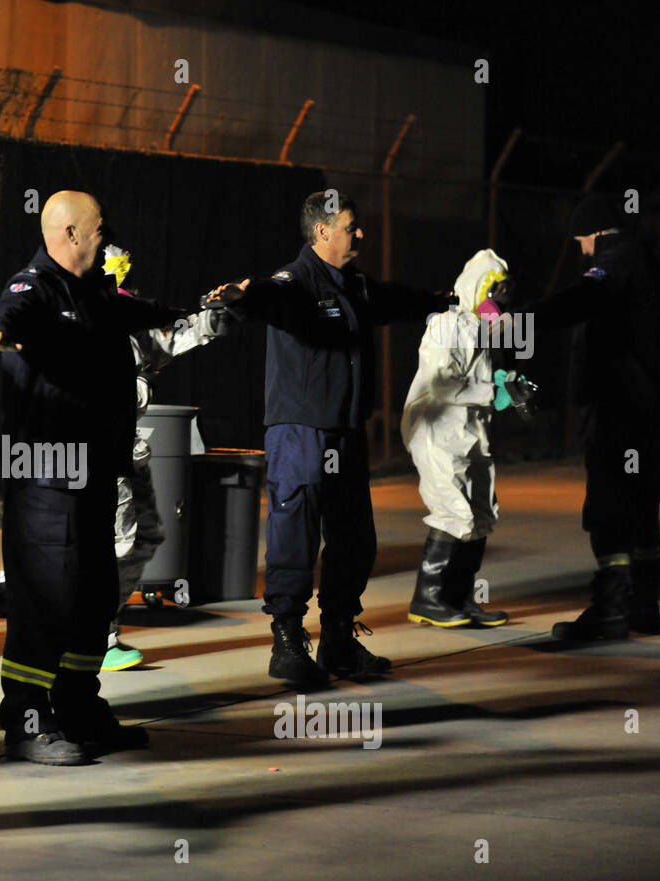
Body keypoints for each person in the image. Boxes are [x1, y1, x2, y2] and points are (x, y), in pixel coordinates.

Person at [0, 190, 178, 765]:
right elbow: (6, 310)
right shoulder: (35, 288)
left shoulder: (94, 293)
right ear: (69, 235)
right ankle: (26, 722)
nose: (106, 236)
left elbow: (140, 312)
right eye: (98, 229)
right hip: (45, 476)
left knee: (91, 592)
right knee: (46, 595)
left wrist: (192, 311)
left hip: (91, 472)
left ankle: (80, 707)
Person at [212, 191, 453, 689]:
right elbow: (269, 296)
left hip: (345, 434)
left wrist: (437, 302)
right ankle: (286, 640)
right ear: (322, 232)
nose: (360, 233)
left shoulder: (356, 286)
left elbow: (393, 298)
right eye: (351, 225)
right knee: (295, 536)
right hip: (301, 432)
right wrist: (242, 297)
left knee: (354, 539)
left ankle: (339, 638)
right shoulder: (295, 281)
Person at [521, 193, 660, 640]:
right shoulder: (644, 261)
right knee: (642, 506)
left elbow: (587, 295)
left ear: (591, 235)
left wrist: (526, 317)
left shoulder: (616, 259)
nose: (582, 253)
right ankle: (643, 609)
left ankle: (610, 610)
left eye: (581, 242)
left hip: (617, 409)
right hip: (644, 408)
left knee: (608, 506)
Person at [99, 244, 235, 670]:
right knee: (115, 544)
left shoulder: (130, 320)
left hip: (127, 447)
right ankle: (93, 639)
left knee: (146, 537)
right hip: (96, 448)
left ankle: (95, 628)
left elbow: (174, 335)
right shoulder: (78, 320)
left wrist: (214, 312)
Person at [402, 249, 514, 628]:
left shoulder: (479, 330)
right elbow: (441, 385)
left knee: (480, 511)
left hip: (468, 431)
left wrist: (505, 388)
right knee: (453, 510)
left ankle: (458, 598)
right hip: (436, 430)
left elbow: (476, 387)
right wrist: (489, 390)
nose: (498, 301)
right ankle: (428, 599)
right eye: (493, 290)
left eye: (502, 292)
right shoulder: (446, 326)